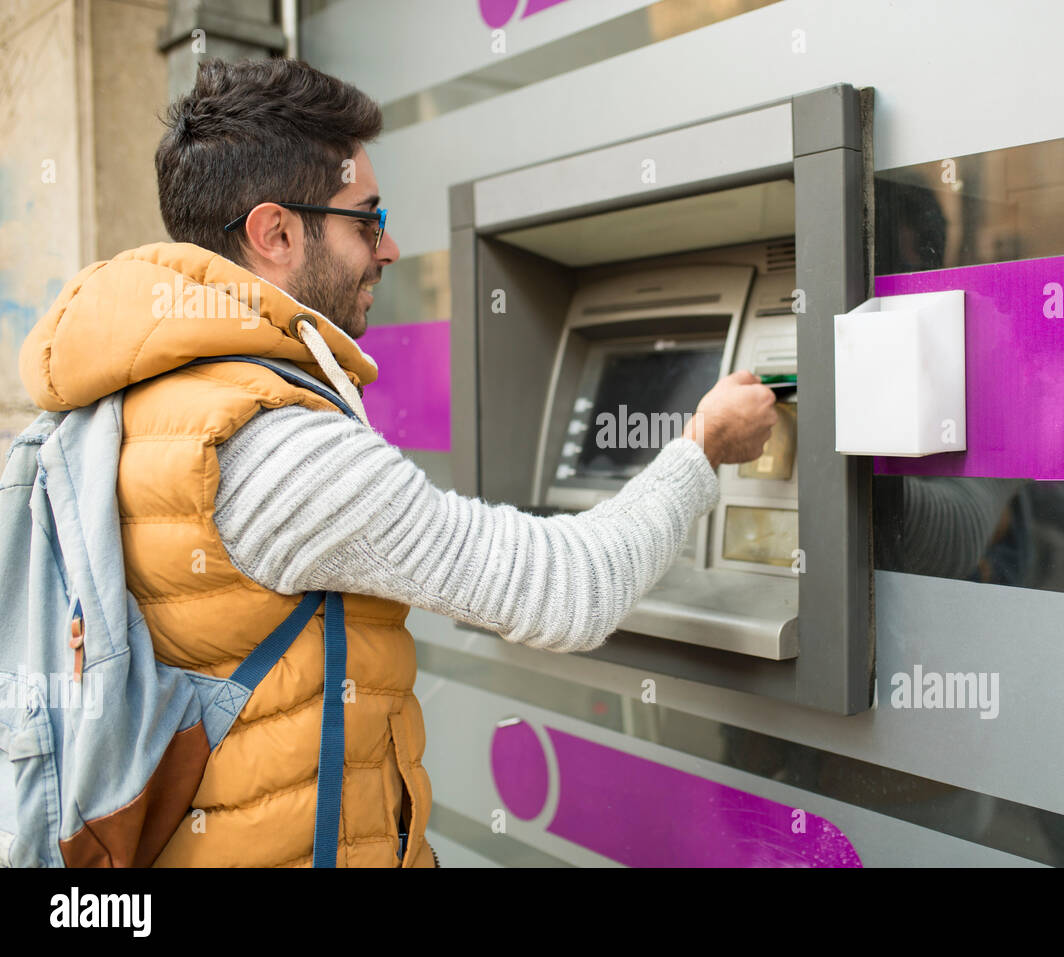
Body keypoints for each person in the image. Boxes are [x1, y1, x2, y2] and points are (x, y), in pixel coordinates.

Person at [17, 57, 776, 868]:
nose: (390, 249)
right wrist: (703, 447)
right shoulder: (280, 445)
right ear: (276, 233)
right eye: (365, 220)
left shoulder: (126, 399)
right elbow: (569, 589)